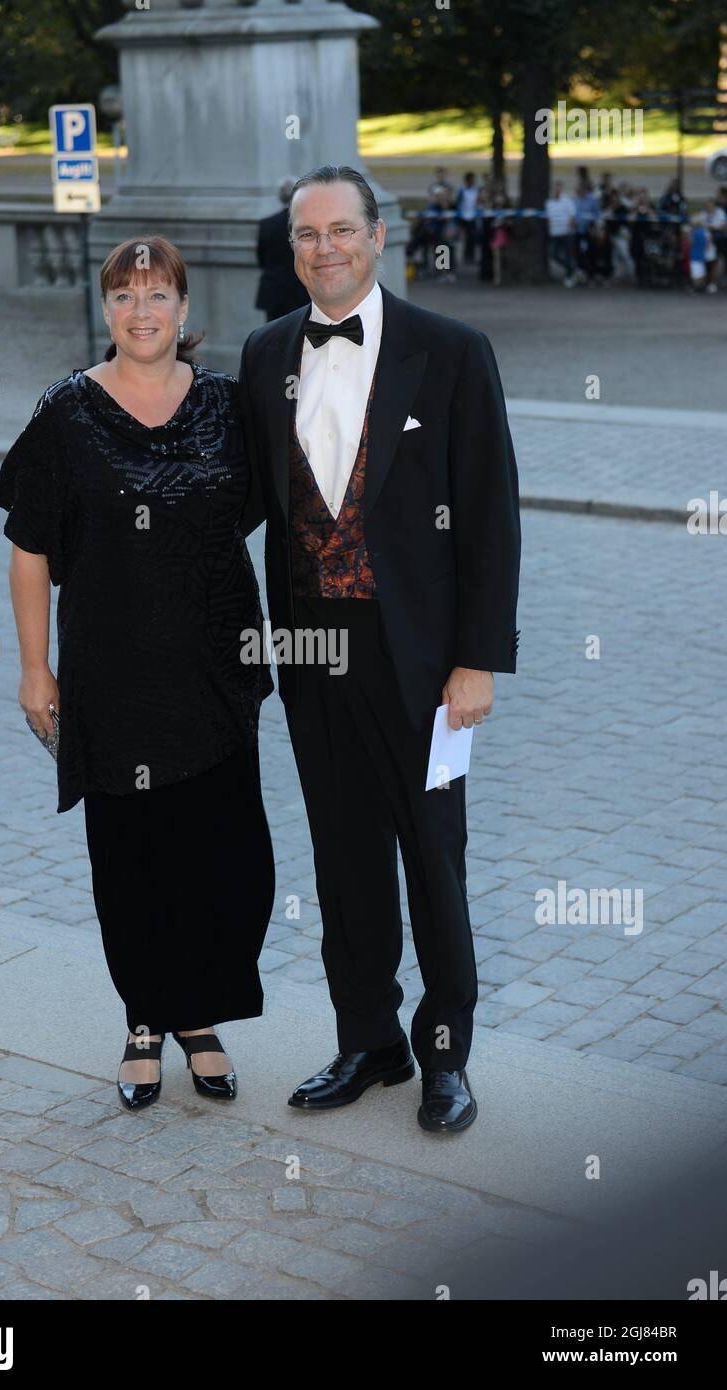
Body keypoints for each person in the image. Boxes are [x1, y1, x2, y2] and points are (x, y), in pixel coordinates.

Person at [237, 165, 521, 1134]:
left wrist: (476, 660)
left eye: (340, 230)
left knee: (433, 861)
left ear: (378, 236)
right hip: (312, 649)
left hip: (423, 658)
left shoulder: (451, 352)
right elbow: (242, 504)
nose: (323, 248)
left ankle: (446, 1056)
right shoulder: (265, 351)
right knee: (343, 856)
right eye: (305, 234)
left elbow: (490, 516)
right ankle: (369, 1038)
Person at [0, 234, 276, 1112]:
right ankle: (149, 1020)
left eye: (158, 296)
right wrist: (36, 670)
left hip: (215, 676)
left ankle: (198, 1008)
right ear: (105, 308)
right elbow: (29, 549)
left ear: (185, 312)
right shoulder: (66, 412)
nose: (141, 311)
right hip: (112, 680)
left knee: (228, 862)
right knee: (133, 862)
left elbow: (258, 518)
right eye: (124, 295)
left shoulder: (231, 405)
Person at [255, 177, 312, 321]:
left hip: (275, 292)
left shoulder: (267, 224)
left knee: (273, 337)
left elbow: (262, 259)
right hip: (302, 290)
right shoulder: (308, 224)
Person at [545, 180, 576, 285]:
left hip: (565, 232)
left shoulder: (567, 201)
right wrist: (549, 230)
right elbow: (549, 217)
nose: (556, 190)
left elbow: (572, 216)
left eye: (558, 187)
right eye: (555, 188)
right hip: (554, 233)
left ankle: (569, 276)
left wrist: (569, 229)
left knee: (567, 255)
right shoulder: (549, 202)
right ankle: (572, 268)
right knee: (553, 254)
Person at [456, 171, 480, 264]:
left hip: (473, 217)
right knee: (463, 237)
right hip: (463, 217)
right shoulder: (462, 190)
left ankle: (471, 255)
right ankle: (464, 256)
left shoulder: (476, 190)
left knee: (472, 237)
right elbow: (459, 203)